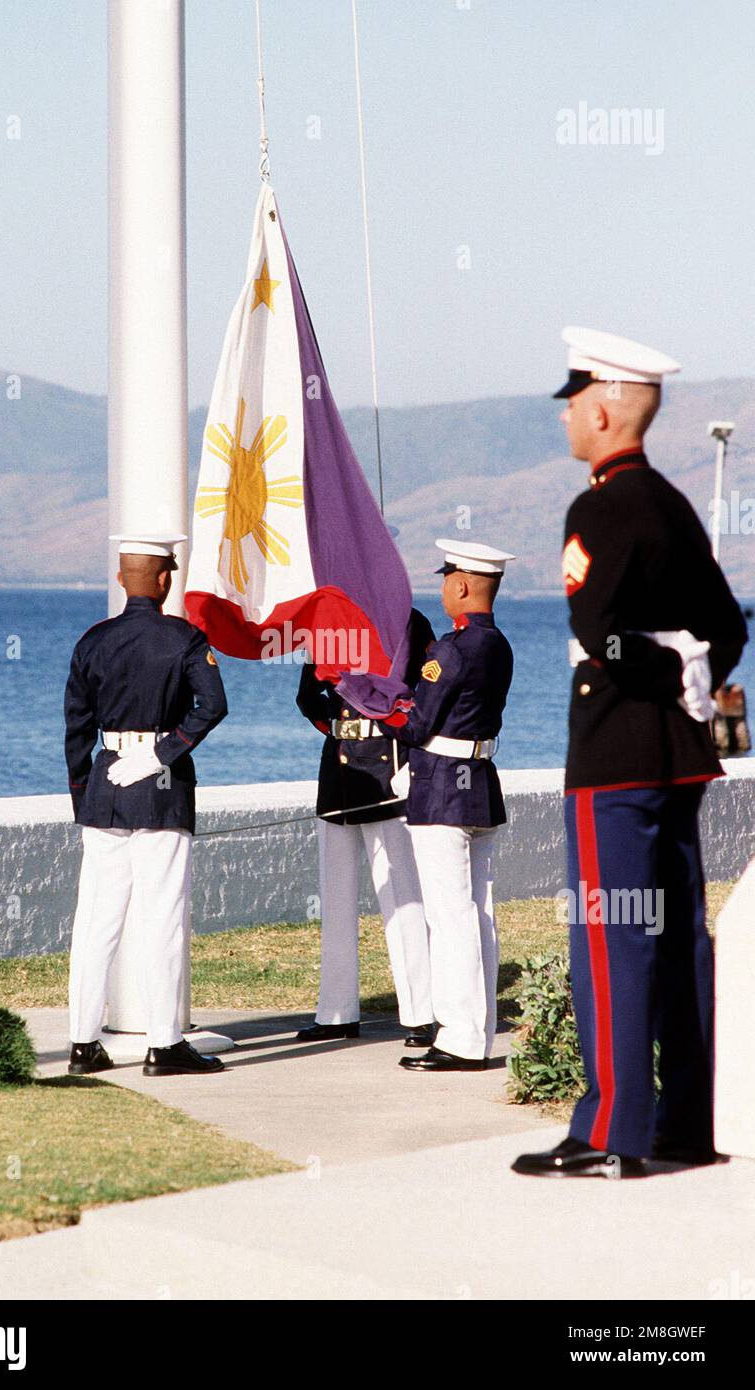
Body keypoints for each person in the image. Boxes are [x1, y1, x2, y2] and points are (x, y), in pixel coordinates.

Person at [513, 327, 748, 1179]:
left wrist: (646, 662)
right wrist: (690, 672)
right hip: (680, 757)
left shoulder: (601, 507)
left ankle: (613, 1130)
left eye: (576, 401)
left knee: (613, 936)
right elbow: (727, 630)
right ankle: (684, 1126)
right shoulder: (674, 506)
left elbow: (596, 635)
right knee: (679, 936)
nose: (570, 415)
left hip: (615, 753)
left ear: (604, 408)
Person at [63, 533, 228, 1078]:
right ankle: (165, 1045)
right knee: (162, 918)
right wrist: (163, 752)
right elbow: (212, 707)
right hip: (161, 791)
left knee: (95, 923)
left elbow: (76, 730)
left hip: (107, 787)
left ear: (120, 579)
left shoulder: (92, 641)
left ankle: (83, 1044)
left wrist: (85, 797)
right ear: (165, 581)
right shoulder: (185, 638)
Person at [378, 542, 515, 1072]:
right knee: (477, 912)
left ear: (460, 586)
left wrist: (377, 702)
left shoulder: (448, 651)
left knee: (450, 915)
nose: (442, 590)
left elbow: (416, 726)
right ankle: (475, 1034)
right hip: (478, 780)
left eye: (445, 580)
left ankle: (459, 1037)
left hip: (441, 790)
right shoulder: (497, 643)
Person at [293, 609, 435, 1048]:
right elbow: (307, 696)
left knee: (402, 894)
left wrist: (407, 754)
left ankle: (421, 1011)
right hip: (338, 771)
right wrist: (338, 728)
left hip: (385, 765)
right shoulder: (326, 624)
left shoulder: (407, 622)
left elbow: (419, 699)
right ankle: (336, 1011)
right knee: (334, 896)